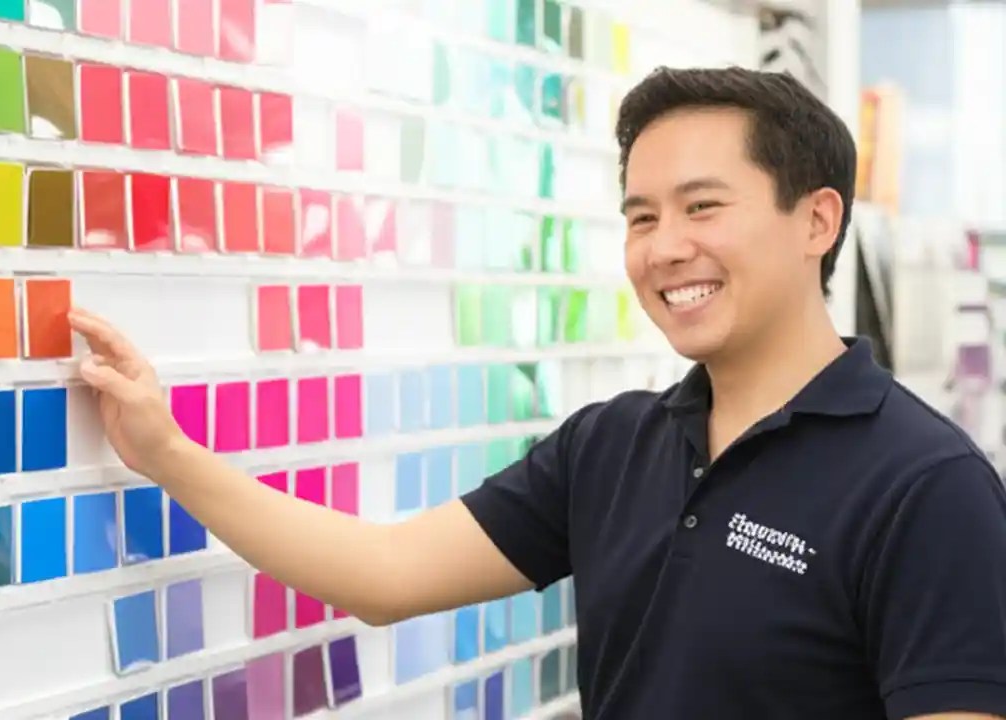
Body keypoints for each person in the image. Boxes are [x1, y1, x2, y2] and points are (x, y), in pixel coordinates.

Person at [68, 66, 1006, 720]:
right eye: (641, 216)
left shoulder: (927, 487)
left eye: (702, 206)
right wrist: (166, 453)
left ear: (817, 221)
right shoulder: (612, 446)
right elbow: (383, 575)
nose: (664, 246)